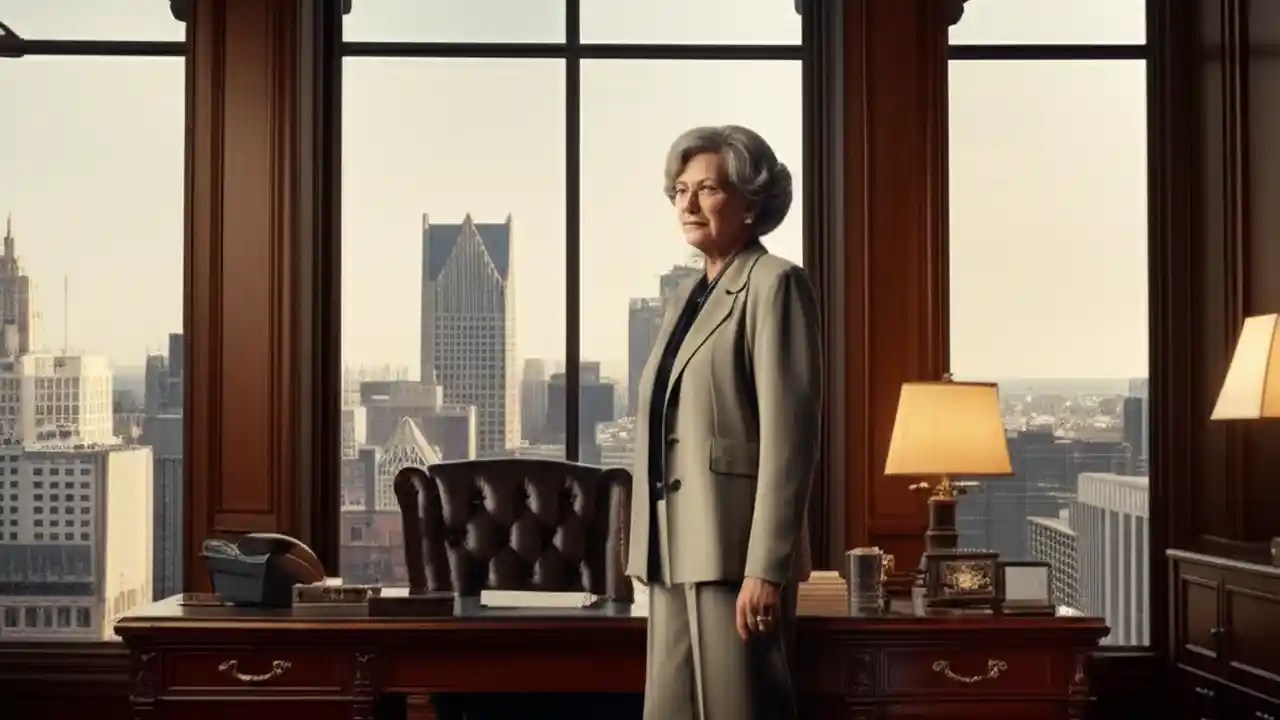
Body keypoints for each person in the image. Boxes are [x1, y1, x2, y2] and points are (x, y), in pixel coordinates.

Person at [626, 124, 823, 720]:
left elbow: (790, 442)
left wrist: (765, 569)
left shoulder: (775, 284)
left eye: (706, 188)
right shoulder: (690, 293)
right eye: (679, 190)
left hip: (734, 555)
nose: (687, 203)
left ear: (750, 202)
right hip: (671, 550)